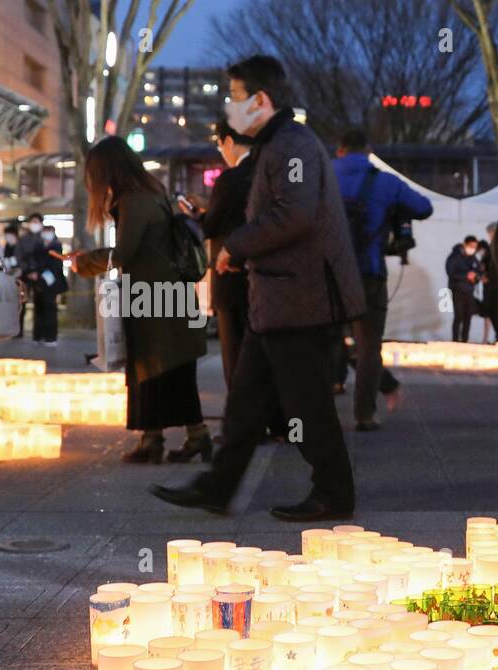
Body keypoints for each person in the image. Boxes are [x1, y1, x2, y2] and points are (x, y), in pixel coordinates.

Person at [151, 54, 364, 521]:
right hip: (279, 296)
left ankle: (333, 492)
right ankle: (218, 486)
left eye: (235, 97)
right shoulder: (278, 144)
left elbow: (296, 213)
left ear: (261, 100)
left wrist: (235, 247)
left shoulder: (292, 146)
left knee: (307, 404)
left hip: (300, 295)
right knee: (247, 400)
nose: (230, 107)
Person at [69, 136, 210, 464]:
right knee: (172, 370)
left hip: (154, 300)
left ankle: (155, 441)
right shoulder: (152, 191)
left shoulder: (133, 199)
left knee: (151, 369)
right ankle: (191, 437)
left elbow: (124, 252)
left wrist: (84, 262)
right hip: (166, 296)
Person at [333, 128, 433, 430]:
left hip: (325, 274)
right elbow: (424, 207)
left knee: (320, 341)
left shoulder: (321, 175)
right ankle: (364, 414)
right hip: (369, 272)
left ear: (340, 150)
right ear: (368, 151)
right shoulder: (384, 181)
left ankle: (312, 417)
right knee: (368, 346)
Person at [192, 118, 255, 392]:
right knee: (260, 356)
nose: (222, 152)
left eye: (220, 146)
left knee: (235, 355)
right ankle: (276, 424)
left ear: (229, 142)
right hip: (264, 279)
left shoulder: (231, 178)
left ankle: (240, 427)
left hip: (229, 277)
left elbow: (211, 226)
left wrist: (196, 218)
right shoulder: (269, 173)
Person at [15, 213, 58, 344]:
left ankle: (45, 335)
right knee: (23, 303)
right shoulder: (23, 239)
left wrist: (37, 272)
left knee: (45, 305)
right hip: (26, 275)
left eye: (37, 221)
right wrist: (28, 271)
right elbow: (19, 256)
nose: (34, 224)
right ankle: (22, 331)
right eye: (32, 221)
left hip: (43, 277)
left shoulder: (46, 238)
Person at [479, 222, 498, 343]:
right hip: (492, 286)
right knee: (492, 313)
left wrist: (487, 275)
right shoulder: (492, 247)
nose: (490, 236)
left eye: (491, 233)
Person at [446, 234, 480, 343]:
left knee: (468, 317)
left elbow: (478, 272)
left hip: (469, 291)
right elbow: (451, 273)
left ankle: (465, 341)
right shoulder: (454, 257)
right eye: (471, 246)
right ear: (465, 244)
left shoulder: (473, 258)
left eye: (475, 247)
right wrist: (466, 275)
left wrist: (475, 278)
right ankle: (455, 341)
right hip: (457, 290)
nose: (473, 249)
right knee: (458, 316)